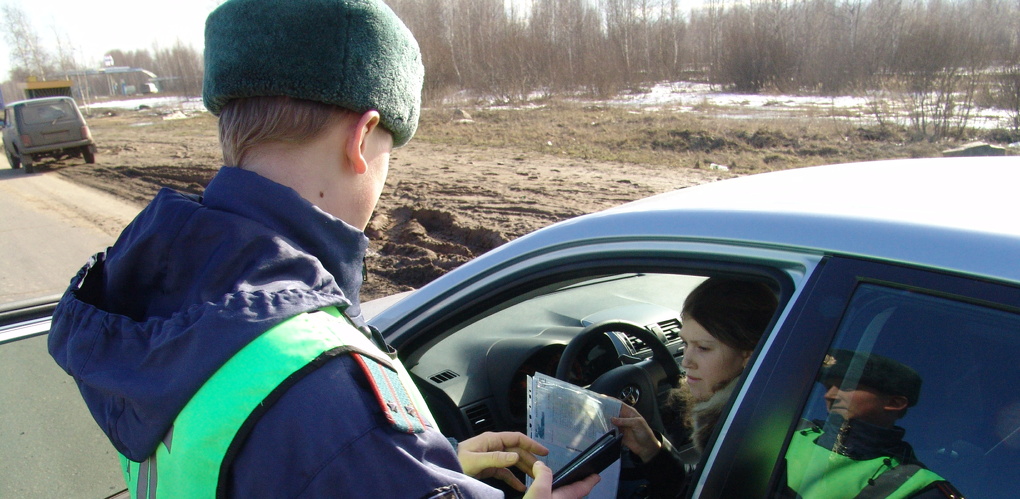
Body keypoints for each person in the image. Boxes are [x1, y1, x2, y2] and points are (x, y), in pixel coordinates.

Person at [46, 0, 598, 497]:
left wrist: (428, 467)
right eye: (389, 151)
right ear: (361, 139)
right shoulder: (328, 387)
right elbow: (321, 443)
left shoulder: (154, 299)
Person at [612, 277, 779, 498]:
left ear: (748, 355)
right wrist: (651, 450)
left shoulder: (749, 440)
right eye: (685, 343)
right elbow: (695, 485)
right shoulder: (759, 405)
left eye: (703, 348)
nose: (686, 361)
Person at [782, 349, 964, 498]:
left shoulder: (918, 487)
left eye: (847, 387)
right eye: (828, 386)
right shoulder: (784, 430)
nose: (829, 395)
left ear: (895, 403)